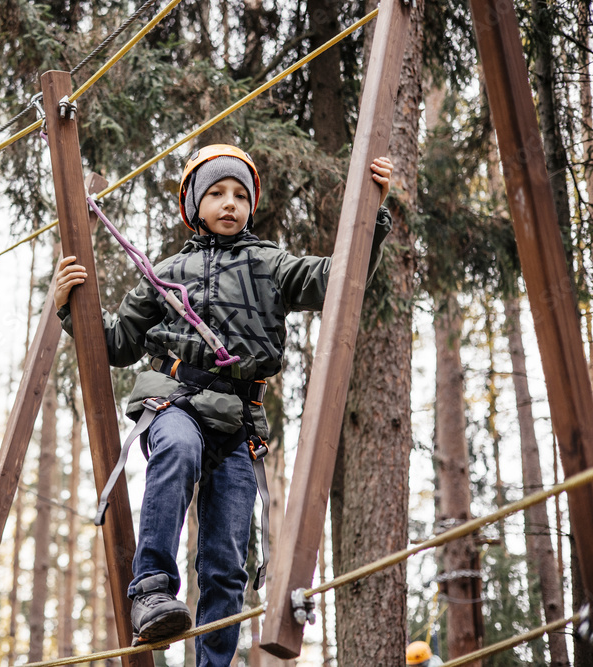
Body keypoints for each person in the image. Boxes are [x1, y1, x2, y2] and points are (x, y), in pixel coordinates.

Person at [54, 144, 394, 665]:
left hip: (237, 423)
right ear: (194, 204)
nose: (229, 203)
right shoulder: (166, 272)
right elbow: (119, 344)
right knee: (179, 451)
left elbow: (335, 280)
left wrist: (373, 216)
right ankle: (151, 589)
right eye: (216, 193)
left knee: (226, 558)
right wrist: (68, 308)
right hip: (176, 402)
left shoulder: (269, 264)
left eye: (240, 194)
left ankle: (214, 662)